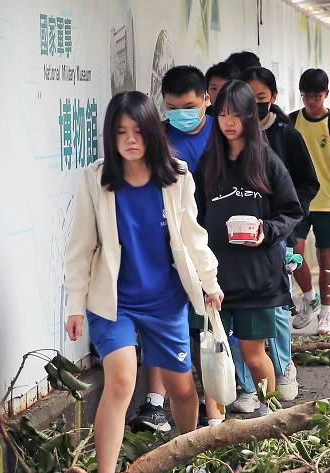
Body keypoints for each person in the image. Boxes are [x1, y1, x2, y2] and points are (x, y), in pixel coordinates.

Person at [64, 91, 222, 473]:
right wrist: (75, 305)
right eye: (121, 132)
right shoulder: (95, 181)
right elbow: (81, 248)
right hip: (112, 302)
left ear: (152, 132)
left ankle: (190, 457)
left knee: (183, 389)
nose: (130, 140)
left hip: (166, 300)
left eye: (137, 131)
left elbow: (192, 236)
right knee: (120, 381)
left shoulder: (176, 177)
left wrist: (210, 283)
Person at [194, 80, 303, 422]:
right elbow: (194, 217)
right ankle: (213, 428)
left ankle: (271, 422)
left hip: (257, 277)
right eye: (222, 113)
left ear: (249, 117)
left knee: (254, 354)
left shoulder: (267, 160)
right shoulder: (209, 162)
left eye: (236, 114)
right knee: (211, 351)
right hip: (215, 278)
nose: (228, 121)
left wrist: (267, 231)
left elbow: (291, 211)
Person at [112, 64, 213, 435]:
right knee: (165, 336)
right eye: (172, 107)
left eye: (188, 105)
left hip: (210, 240)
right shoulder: (161, 142)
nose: (180, 114)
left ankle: (212, 414)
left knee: (204, 334)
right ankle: (156, 405)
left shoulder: (223, 133)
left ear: (206, 100)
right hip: (172, 251)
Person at [240, 65, 321, 402]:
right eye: (249, 98)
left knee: (276, 305)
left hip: (277, 235)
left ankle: (284, 366)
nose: (255, 106)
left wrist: (289, 216)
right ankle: (248, 384)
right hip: (239, 238)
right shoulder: (230, 139)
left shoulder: (286, 135)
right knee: (242, 309)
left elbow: (308, 182)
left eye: (260, 98)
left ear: (272, 98)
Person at [290, 68, 330, 335]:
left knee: (327, 260)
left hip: (329, 200)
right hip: (298, 200)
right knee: (292, 255)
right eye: (306, 96)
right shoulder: (291, 121)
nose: (311, 101)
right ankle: (309, 297)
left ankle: (326, 315)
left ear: (325, 94)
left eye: (316, 96)